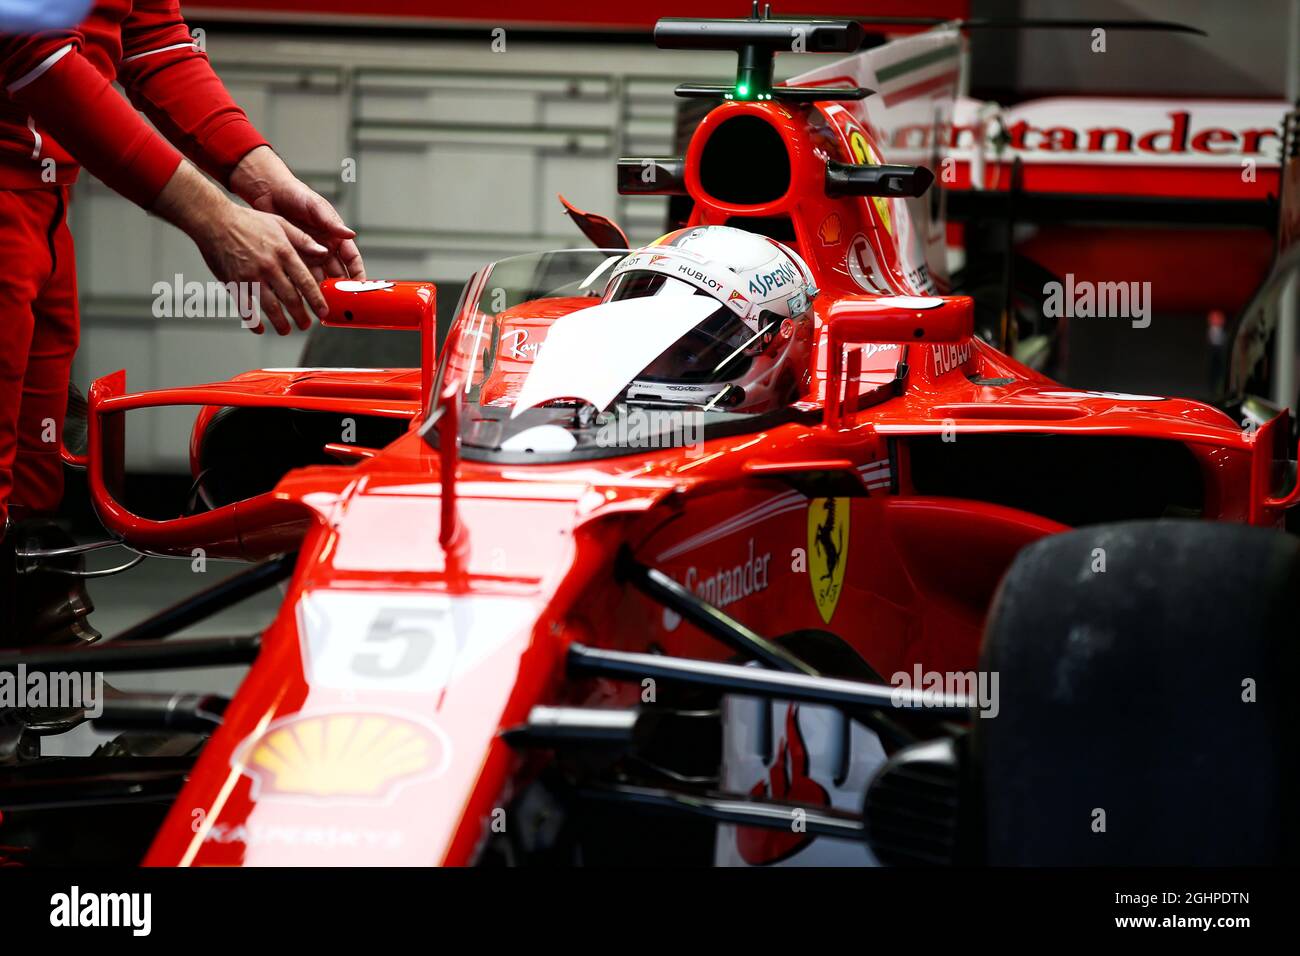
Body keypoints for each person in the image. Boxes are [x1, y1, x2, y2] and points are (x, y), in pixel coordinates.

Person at [0, 0, 365, 643]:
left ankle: (28, 681)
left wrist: (256, 169)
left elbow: (150, 33)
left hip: (40, 196)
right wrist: (216, 220)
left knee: (34, 477)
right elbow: (33, 52)